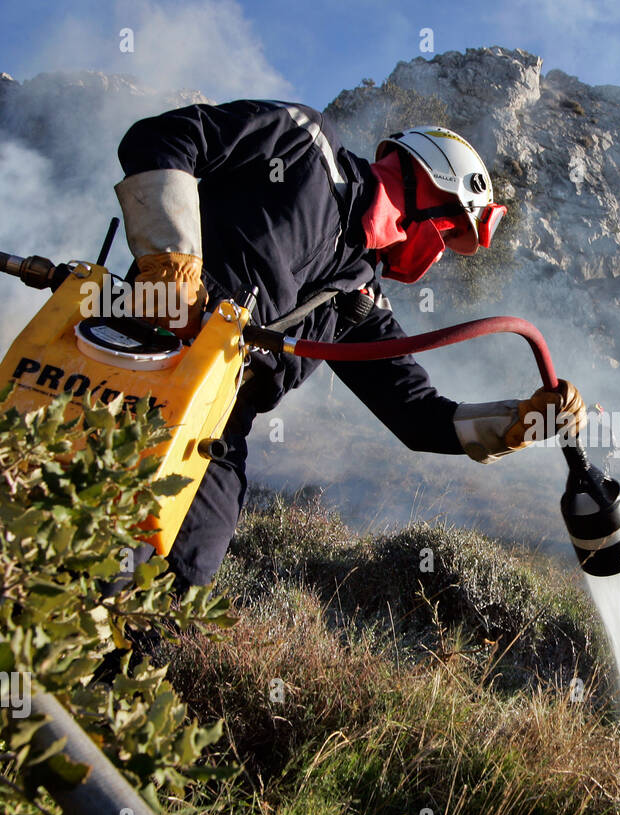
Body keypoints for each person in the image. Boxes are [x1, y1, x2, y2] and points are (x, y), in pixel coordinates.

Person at [112, 99, 584, 594]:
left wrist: (520, 422)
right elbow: (162, 137)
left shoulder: (358, 300)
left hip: (214, 430)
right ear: (430, 186)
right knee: (104, 551)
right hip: (130, 365)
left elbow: (419, 415)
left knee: (181, 574)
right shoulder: (300, 143)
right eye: (448, 231)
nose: (441, 251)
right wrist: (171, 264)